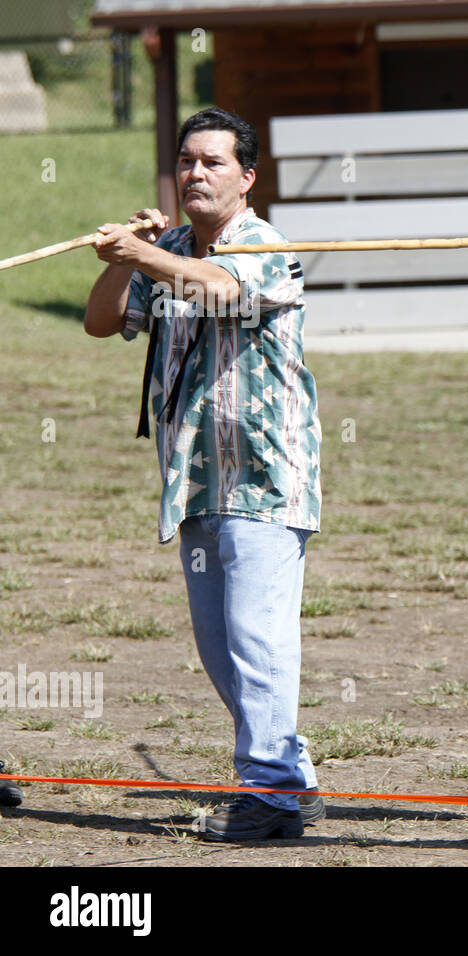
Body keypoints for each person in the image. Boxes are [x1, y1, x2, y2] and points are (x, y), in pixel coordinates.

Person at [83, 107, 325, 842]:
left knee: (258, 637)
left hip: (261, 473)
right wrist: (127, 258)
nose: (195, 172)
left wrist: (149, 255)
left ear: (247, 178)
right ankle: (292, 777)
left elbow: (218, 290)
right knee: (221, 645)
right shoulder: (172, 247)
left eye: (213, 162)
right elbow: (101, 323)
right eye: (187, 160)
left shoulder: (268, 246)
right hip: (193, 477)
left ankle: (271, 795)